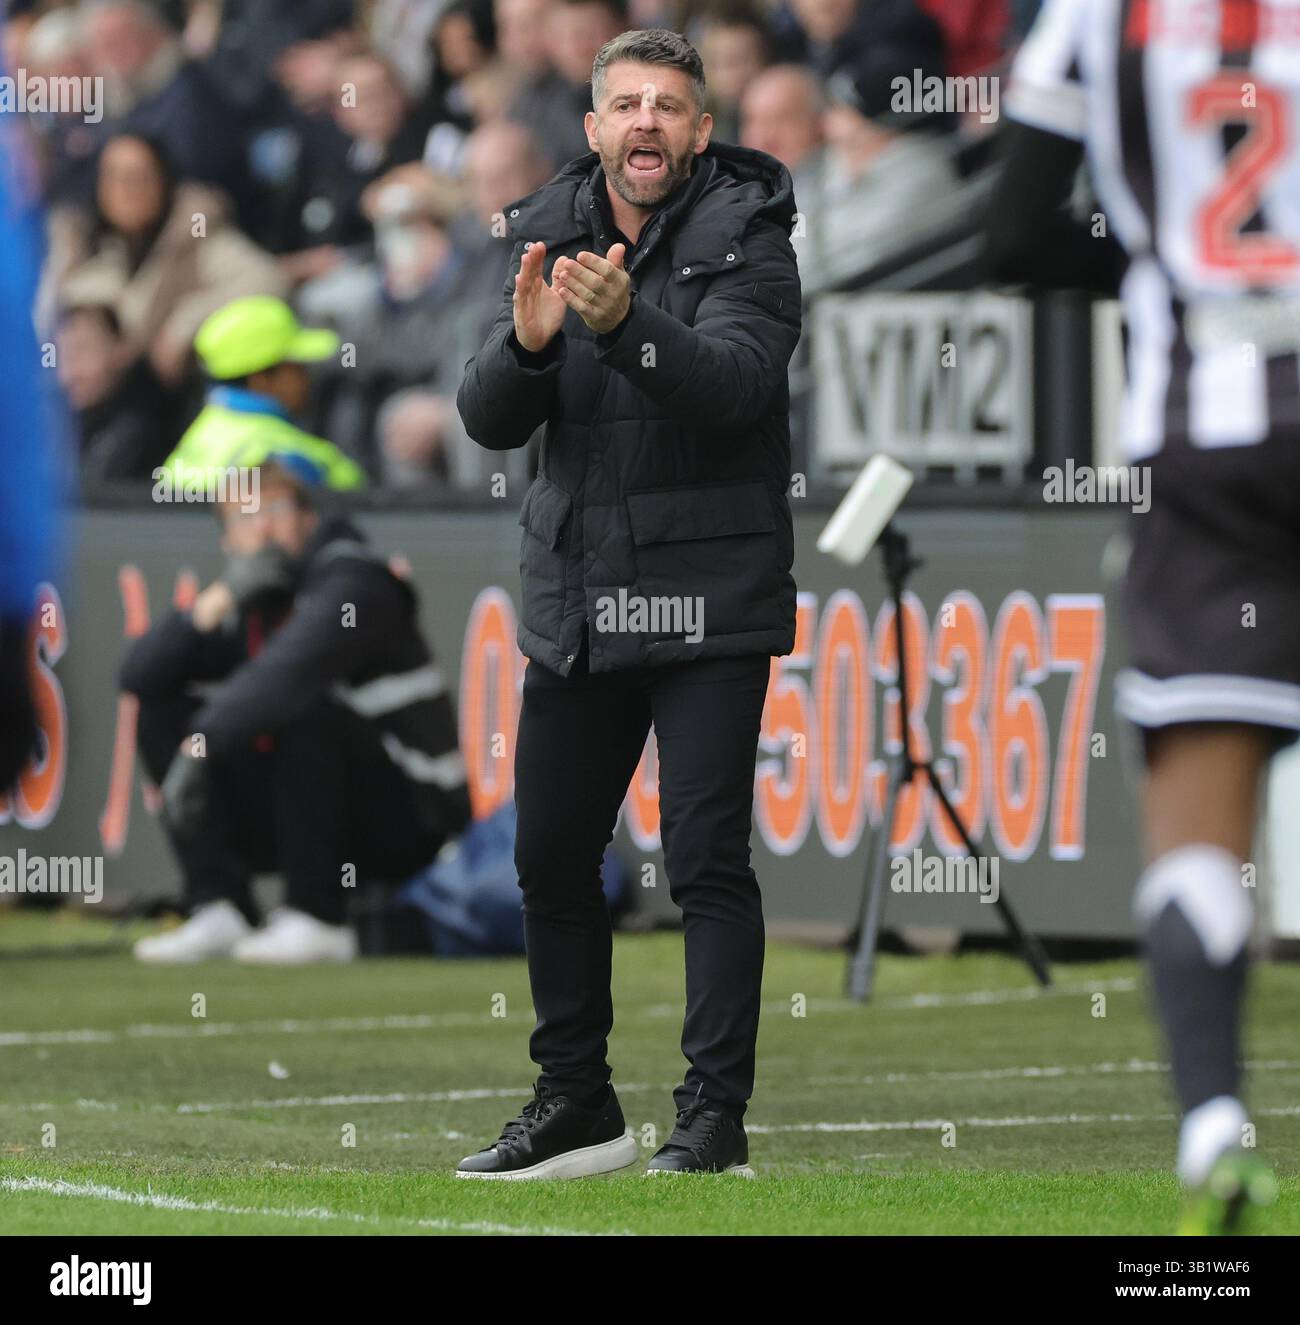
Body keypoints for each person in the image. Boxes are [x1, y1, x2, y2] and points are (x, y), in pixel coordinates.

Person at [456, 28, 801, 1178]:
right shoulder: (540, 229)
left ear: (702, 131)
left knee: (705, 858)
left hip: (708, 596)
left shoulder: (752, 231)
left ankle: (712, 1118)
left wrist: (624, 328)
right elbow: (486, 414)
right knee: (551, 856)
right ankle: (576, 1104)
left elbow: (735, 388)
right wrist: (534, 348)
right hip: (580, 593)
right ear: (594, 126)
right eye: (626, 104)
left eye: (669, 105)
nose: (646, 122)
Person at [990, 0, 1297, 1233]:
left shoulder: (1093, 14)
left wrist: (1151, 262)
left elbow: (1011, 230)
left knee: (1195, 826)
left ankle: (1213, 1121)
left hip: (1205, 437)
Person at [122, 459, 473, 964]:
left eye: (275, 509)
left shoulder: (355, 581)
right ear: (226, 543)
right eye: (243, 519)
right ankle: (221, 906)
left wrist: (200, 749)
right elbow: (139, 677)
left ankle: (318, 916)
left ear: (308, 518)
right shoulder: (252, 597)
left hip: (415, 821)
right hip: (317, 817)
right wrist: (215, 603)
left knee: (301, 704)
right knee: (160, 710)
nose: (261, 528)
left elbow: (286, 676)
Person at [161, 294, 365, 491]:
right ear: (262, 378)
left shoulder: (196, 440)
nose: (307, 378)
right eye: (297, 367)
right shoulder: (289, 458)